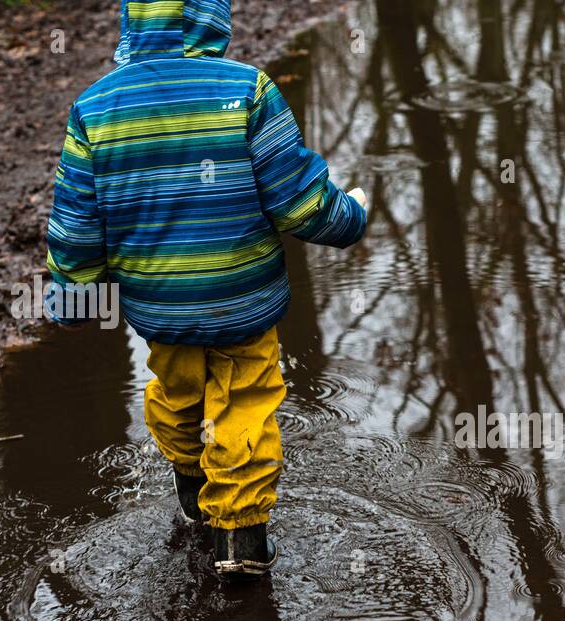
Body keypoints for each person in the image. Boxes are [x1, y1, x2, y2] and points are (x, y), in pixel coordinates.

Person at [44, 0, 366, 578]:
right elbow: (298, 202)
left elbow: (76, 223)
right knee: (244, 406)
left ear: (132, 21)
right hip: (244, 300)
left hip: (159, 307)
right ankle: (241, 542)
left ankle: (193, 497)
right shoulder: (248, 91)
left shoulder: (96, 107)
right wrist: (351, 219)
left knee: (176, 390)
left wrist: (71, 297)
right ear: (211, 18)